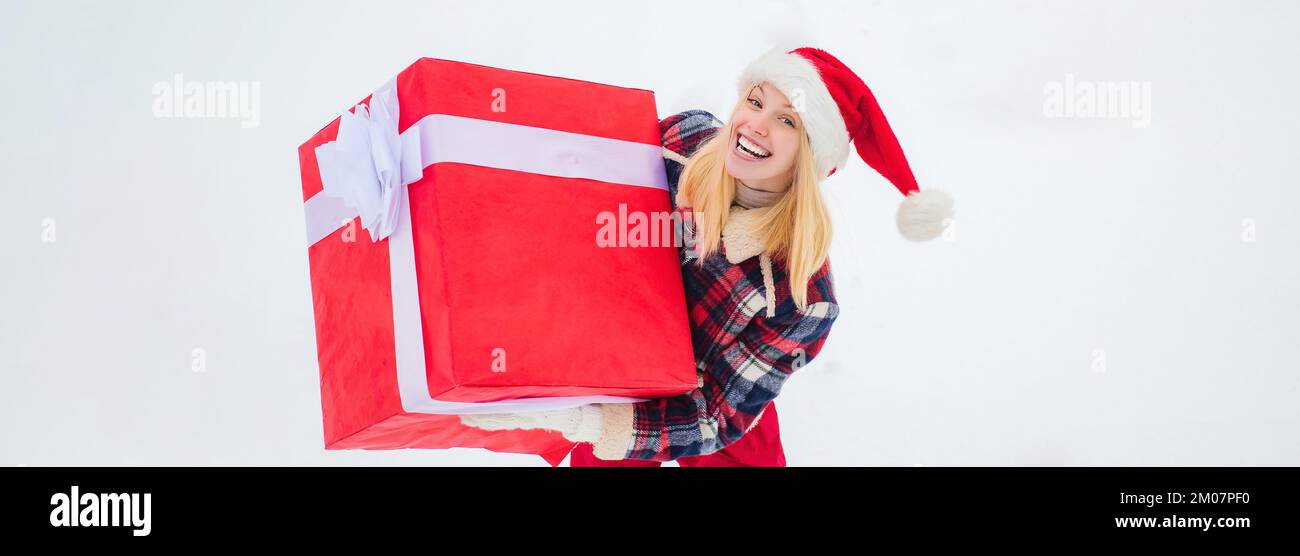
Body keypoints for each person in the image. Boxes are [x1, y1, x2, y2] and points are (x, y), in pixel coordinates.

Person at [460, 46, 954, 466]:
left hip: (718, 387)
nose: (755, 125)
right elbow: (578, 198)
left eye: (786, 119)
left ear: (809, 158)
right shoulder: (681, 142)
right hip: (620, 371)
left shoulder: (802, 297)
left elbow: (715, 418)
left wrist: (583, 422)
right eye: (755, 101)